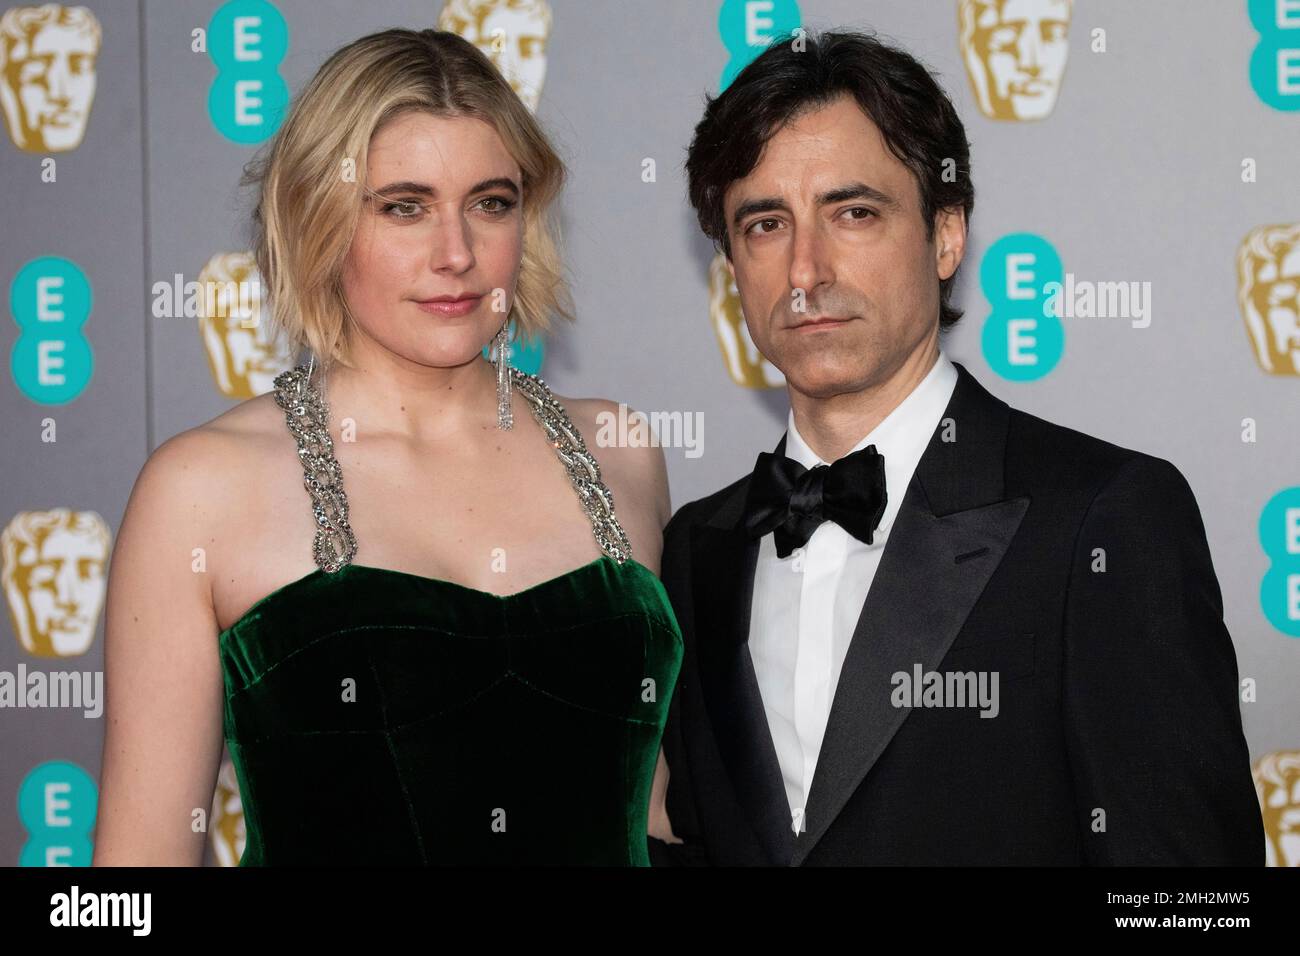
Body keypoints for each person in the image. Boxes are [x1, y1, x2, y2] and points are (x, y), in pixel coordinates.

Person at [649, 30, 1263, 866]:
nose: (805, 269)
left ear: (945, 234)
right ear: (731, 269)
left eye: (853, 213)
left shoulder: (1103, 519)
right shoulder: (694, 551)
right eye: (765, 224)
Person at [92, 28, 682, 866]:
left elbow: (650, 810)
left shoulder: (620, 450)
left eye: (491, 202)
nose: (457, 254)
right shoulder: (202, 489)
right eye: (404, 206)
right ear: (320, 218)